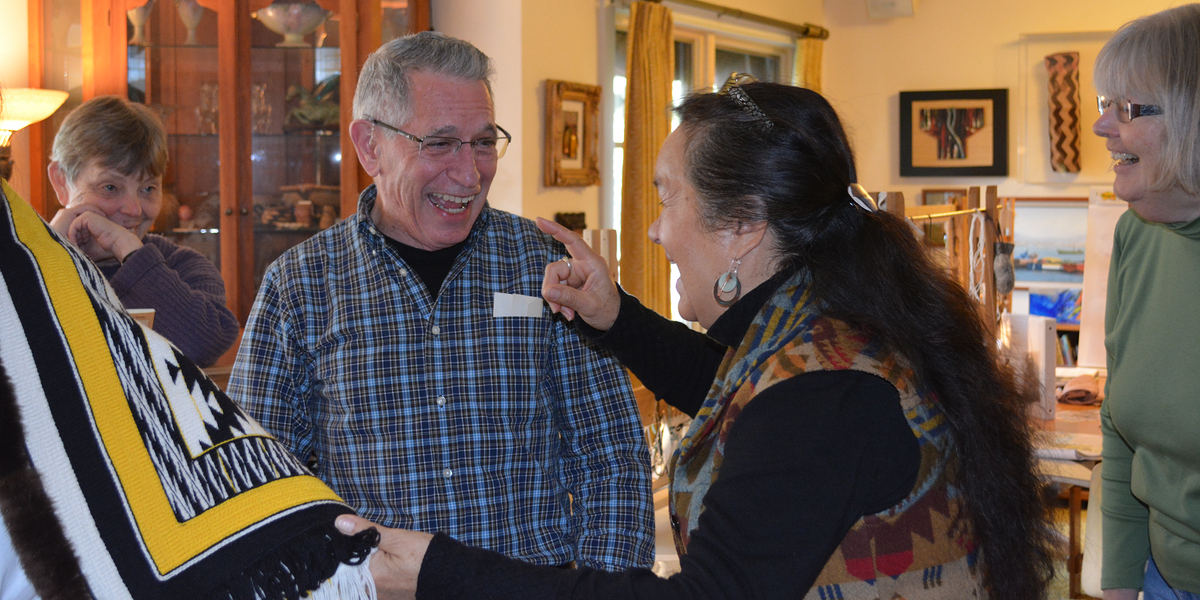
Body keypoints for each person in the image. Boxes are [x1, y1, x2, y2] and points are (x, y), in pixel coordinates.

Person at [334, 77, 1058, 599]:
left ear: (742, 224)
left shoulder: (826, 397)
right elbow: (731, 390)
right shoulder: (829, 325)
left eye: (667, 195)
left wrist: (437, 570)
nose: (655, 230)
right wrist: (616, 317)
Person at [226, 32, 654, 572]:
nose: (470, 174)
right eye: (440, 143)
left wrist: (605, 590)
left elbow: (611, 455)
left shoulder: (545, 267)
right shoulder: (300, 286)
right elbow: (254, 482)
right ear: (370, 146)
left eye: (483, 142)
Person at [1092, 6, 1200, 600]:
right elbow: (1121, 432)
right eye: (1105, 104)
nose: (1101, 126)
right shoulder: (1138, 234)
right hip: (1164, 577)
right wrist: (1118, 586)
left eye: (1127, 109)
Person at [47, 95, 238, 368]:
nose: (134, 209)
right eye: (110, 187)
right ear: (61, 181)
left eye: (148, 188)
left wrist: (129, 251)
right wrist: (47, 252)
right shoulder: (19, 263)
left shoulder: (184, 268)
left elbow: (203, 346)